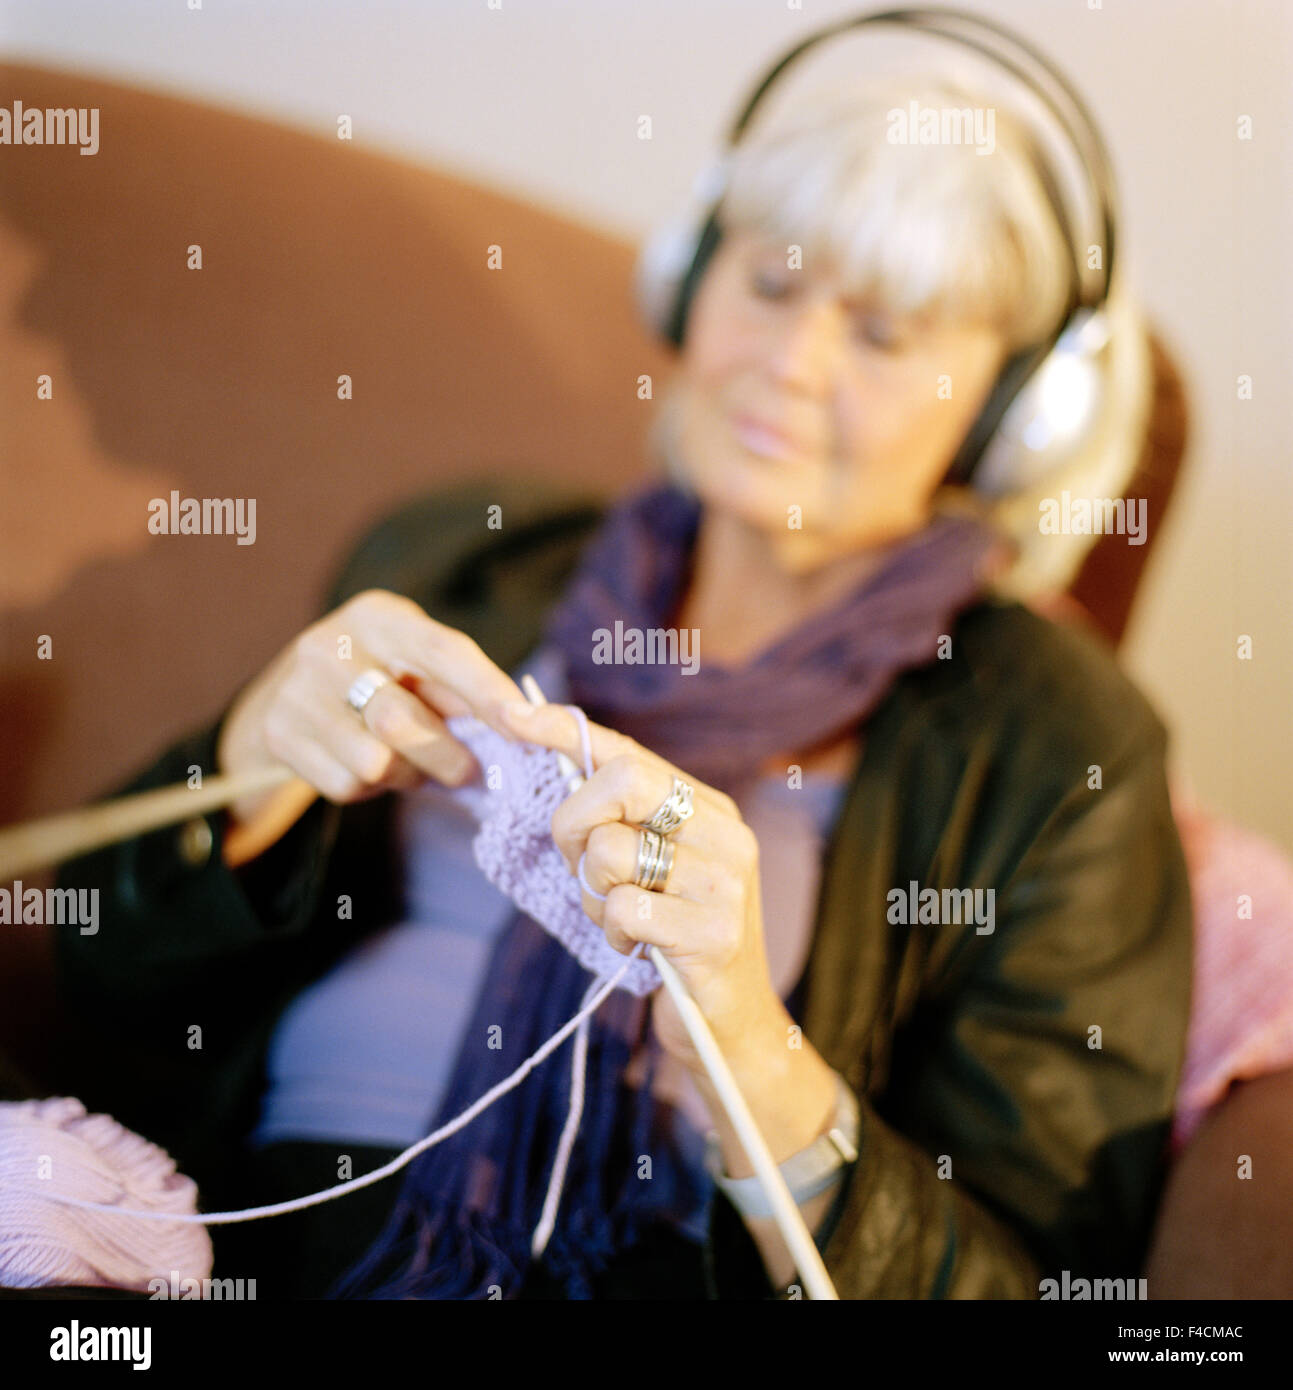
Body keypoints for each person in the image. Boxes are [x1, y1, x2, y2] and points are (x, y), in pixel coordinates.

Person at [49, 67, 1191, 1300]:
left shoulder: (1058, 742)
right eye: (771, 281)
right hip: (241, 1242)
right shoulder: (464, 555)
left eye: (880, 333)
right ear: (694, 276)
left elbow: (1040, 1283)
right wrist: (249, 776)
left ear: (1011, 413)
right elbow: (93, 992)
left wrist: (747, 1038)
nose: (792, 364)